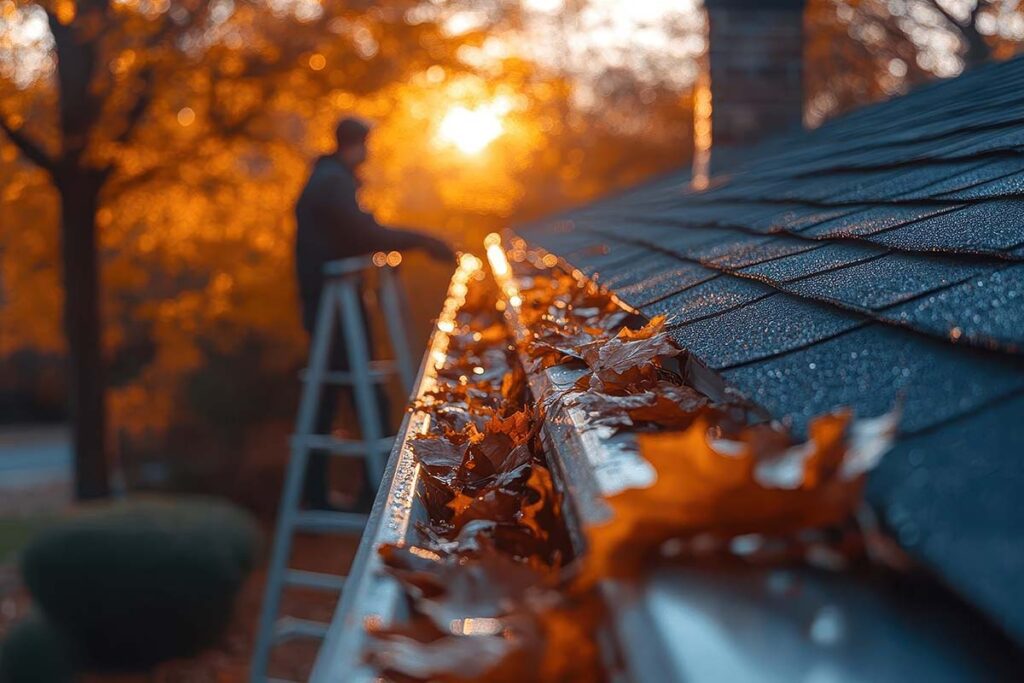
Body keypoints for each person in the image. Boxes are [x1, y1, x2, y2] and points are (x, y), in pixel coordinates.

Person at [294, 116, 454, 511]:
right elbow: (363, 233)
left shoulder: (327, 179)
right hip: (335, 306)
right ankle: (379, 493)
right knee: (366, 396)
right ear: (357, 144)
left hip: (329, 303)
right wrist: (423, 241)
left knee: (330, 396)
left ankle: (317, 493)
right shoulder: (333, 182)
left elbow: (353, 235)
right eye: (366, 145)